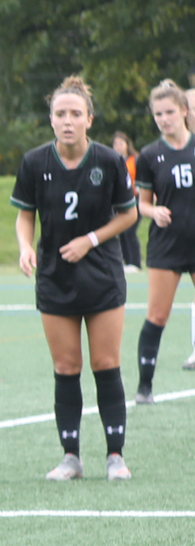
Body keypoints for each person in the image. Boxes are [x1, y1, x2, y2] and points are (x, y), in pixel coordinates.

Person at [12, 75, 138, 482]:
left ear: (89, 119)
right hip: (54, 275)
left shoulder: (109, 161)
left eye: (75, 114)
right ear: (50, 119)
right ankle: (71, 457)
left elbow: (129, 214)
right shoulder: (34, 163)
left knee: (106, 363)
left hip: (101, 274)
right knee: (66, 366)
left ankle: (115, 455)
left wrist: (90, 239)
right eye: (60, 114)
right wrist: (25, 246)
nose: (68, 121)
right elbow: (25, 214)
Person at [132, 81, 195, 405]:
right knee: (157, 316)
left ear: (184, 111)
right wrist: (152, 209)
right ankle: (145, 386)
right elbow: (140, 204)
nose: (164, 118)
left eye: (170, 111)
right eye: (158, 114)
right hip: (166, 246)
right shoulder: (149, 155)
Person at [111, 132, 143, 272]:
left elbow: (142, 178)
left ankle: (135, 262)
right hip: (119, 201)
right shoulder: (112, 160)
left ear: (127, 145)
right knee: (121, 231)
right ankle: (126, 262)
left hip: (135, 198)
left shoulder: (135, 160)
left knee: (130, 231)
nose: (118, 146)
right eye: (115, 144)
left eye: (121, 143)